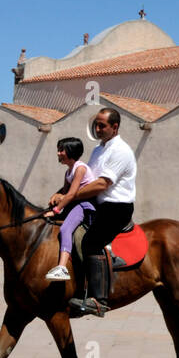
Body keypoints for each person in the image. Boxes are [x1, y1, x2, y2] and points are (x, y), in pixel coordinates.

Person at [64, 107, 136, 317]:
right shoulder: (98, 150)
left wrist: (70, 196)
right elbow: (88, 180)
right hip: (97, 204)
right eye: (95, 124)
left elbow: (102, 183)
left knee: (90, 242)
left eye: (101, 125)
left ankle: (98, 300)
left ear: (115, 127)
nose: (97, 129)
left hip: (117, 207)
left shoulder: (121, 150)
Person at [43, 137, 96, 280]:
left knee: (65, 229)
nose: (58, 153)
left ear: (71, 151)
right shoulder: (68, 172)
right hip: (74, 204)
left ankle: (62, 268)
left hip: (85, 205)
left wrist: (56, 210)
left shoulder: (80, 168)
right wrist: (56, 196)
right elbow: (65, 194)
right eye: (58, 150)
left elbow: (72, 194)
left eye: (61, 150)